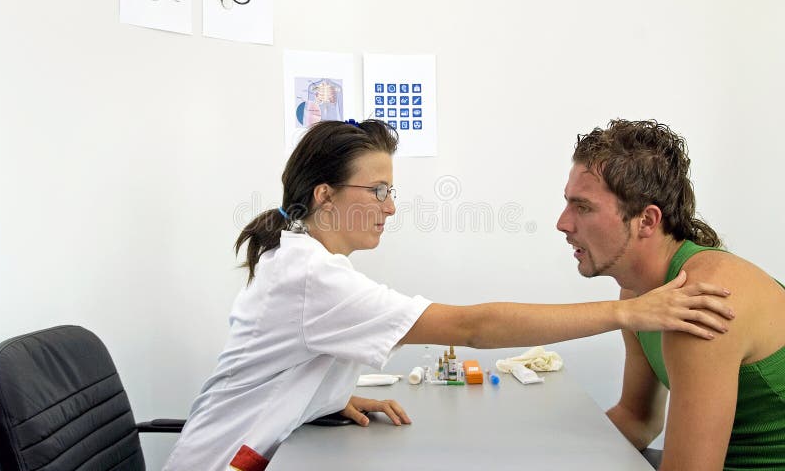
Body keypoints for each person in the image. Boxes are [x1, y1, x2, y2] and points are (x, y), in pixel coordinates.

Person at [164, 119, 733, 471]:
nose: (390, 206)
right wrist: (624, 312)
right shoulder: (315, 277)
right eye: (379, 190)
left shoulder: (299, 262)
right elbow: (469, 328)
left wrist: (326, 398)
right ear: (325, 195)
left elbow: (281, 364)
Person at [556, 119, 785, 471]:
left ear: (646, 221)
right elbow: (637, 418)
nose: (563, 223)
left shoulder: (698, 301)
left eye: (583, 207)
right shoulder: (637, 297)